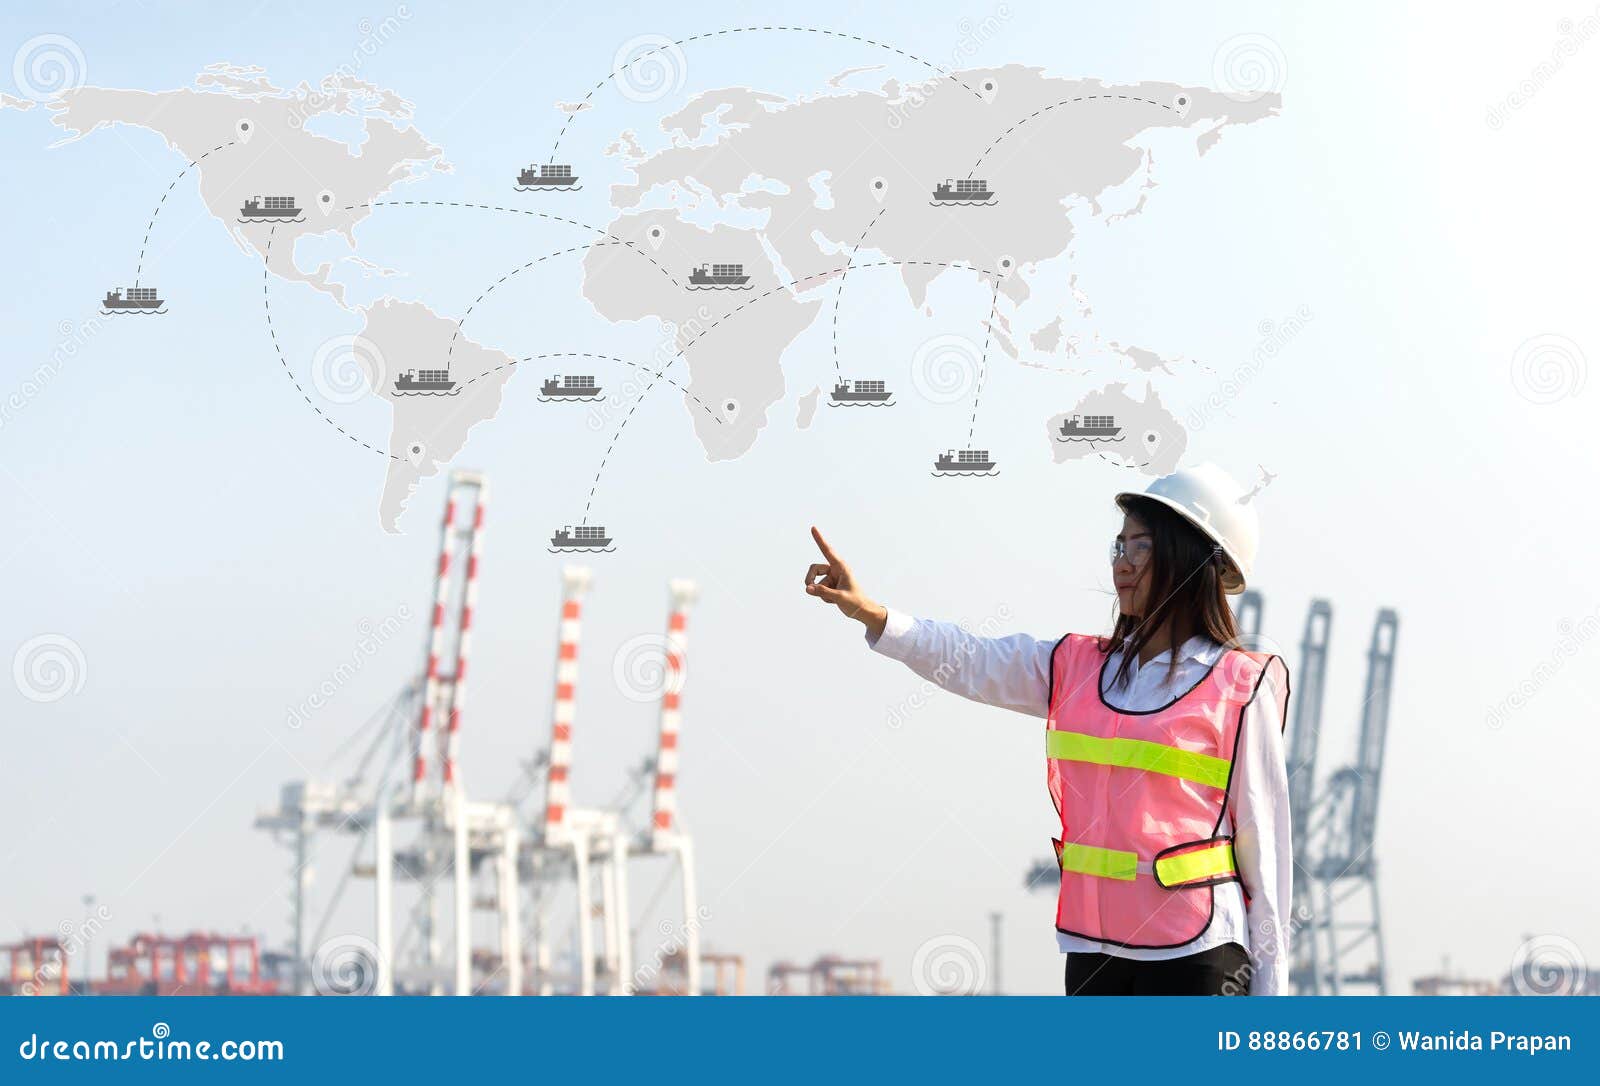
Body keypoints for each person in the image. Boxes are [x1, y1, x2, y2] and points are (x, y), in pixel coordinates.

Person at [803, 463, 1292, 995]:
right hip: (1092, 953)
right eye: (1118, 546)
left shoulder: (1241, 686)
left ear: (1190, 558)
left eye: (1141, 547)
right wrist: (873, 614)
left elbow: (1266, 858)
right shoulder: (1076, 667)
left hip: (1197, 959)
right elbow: (971, 660)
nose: (1122, 564)